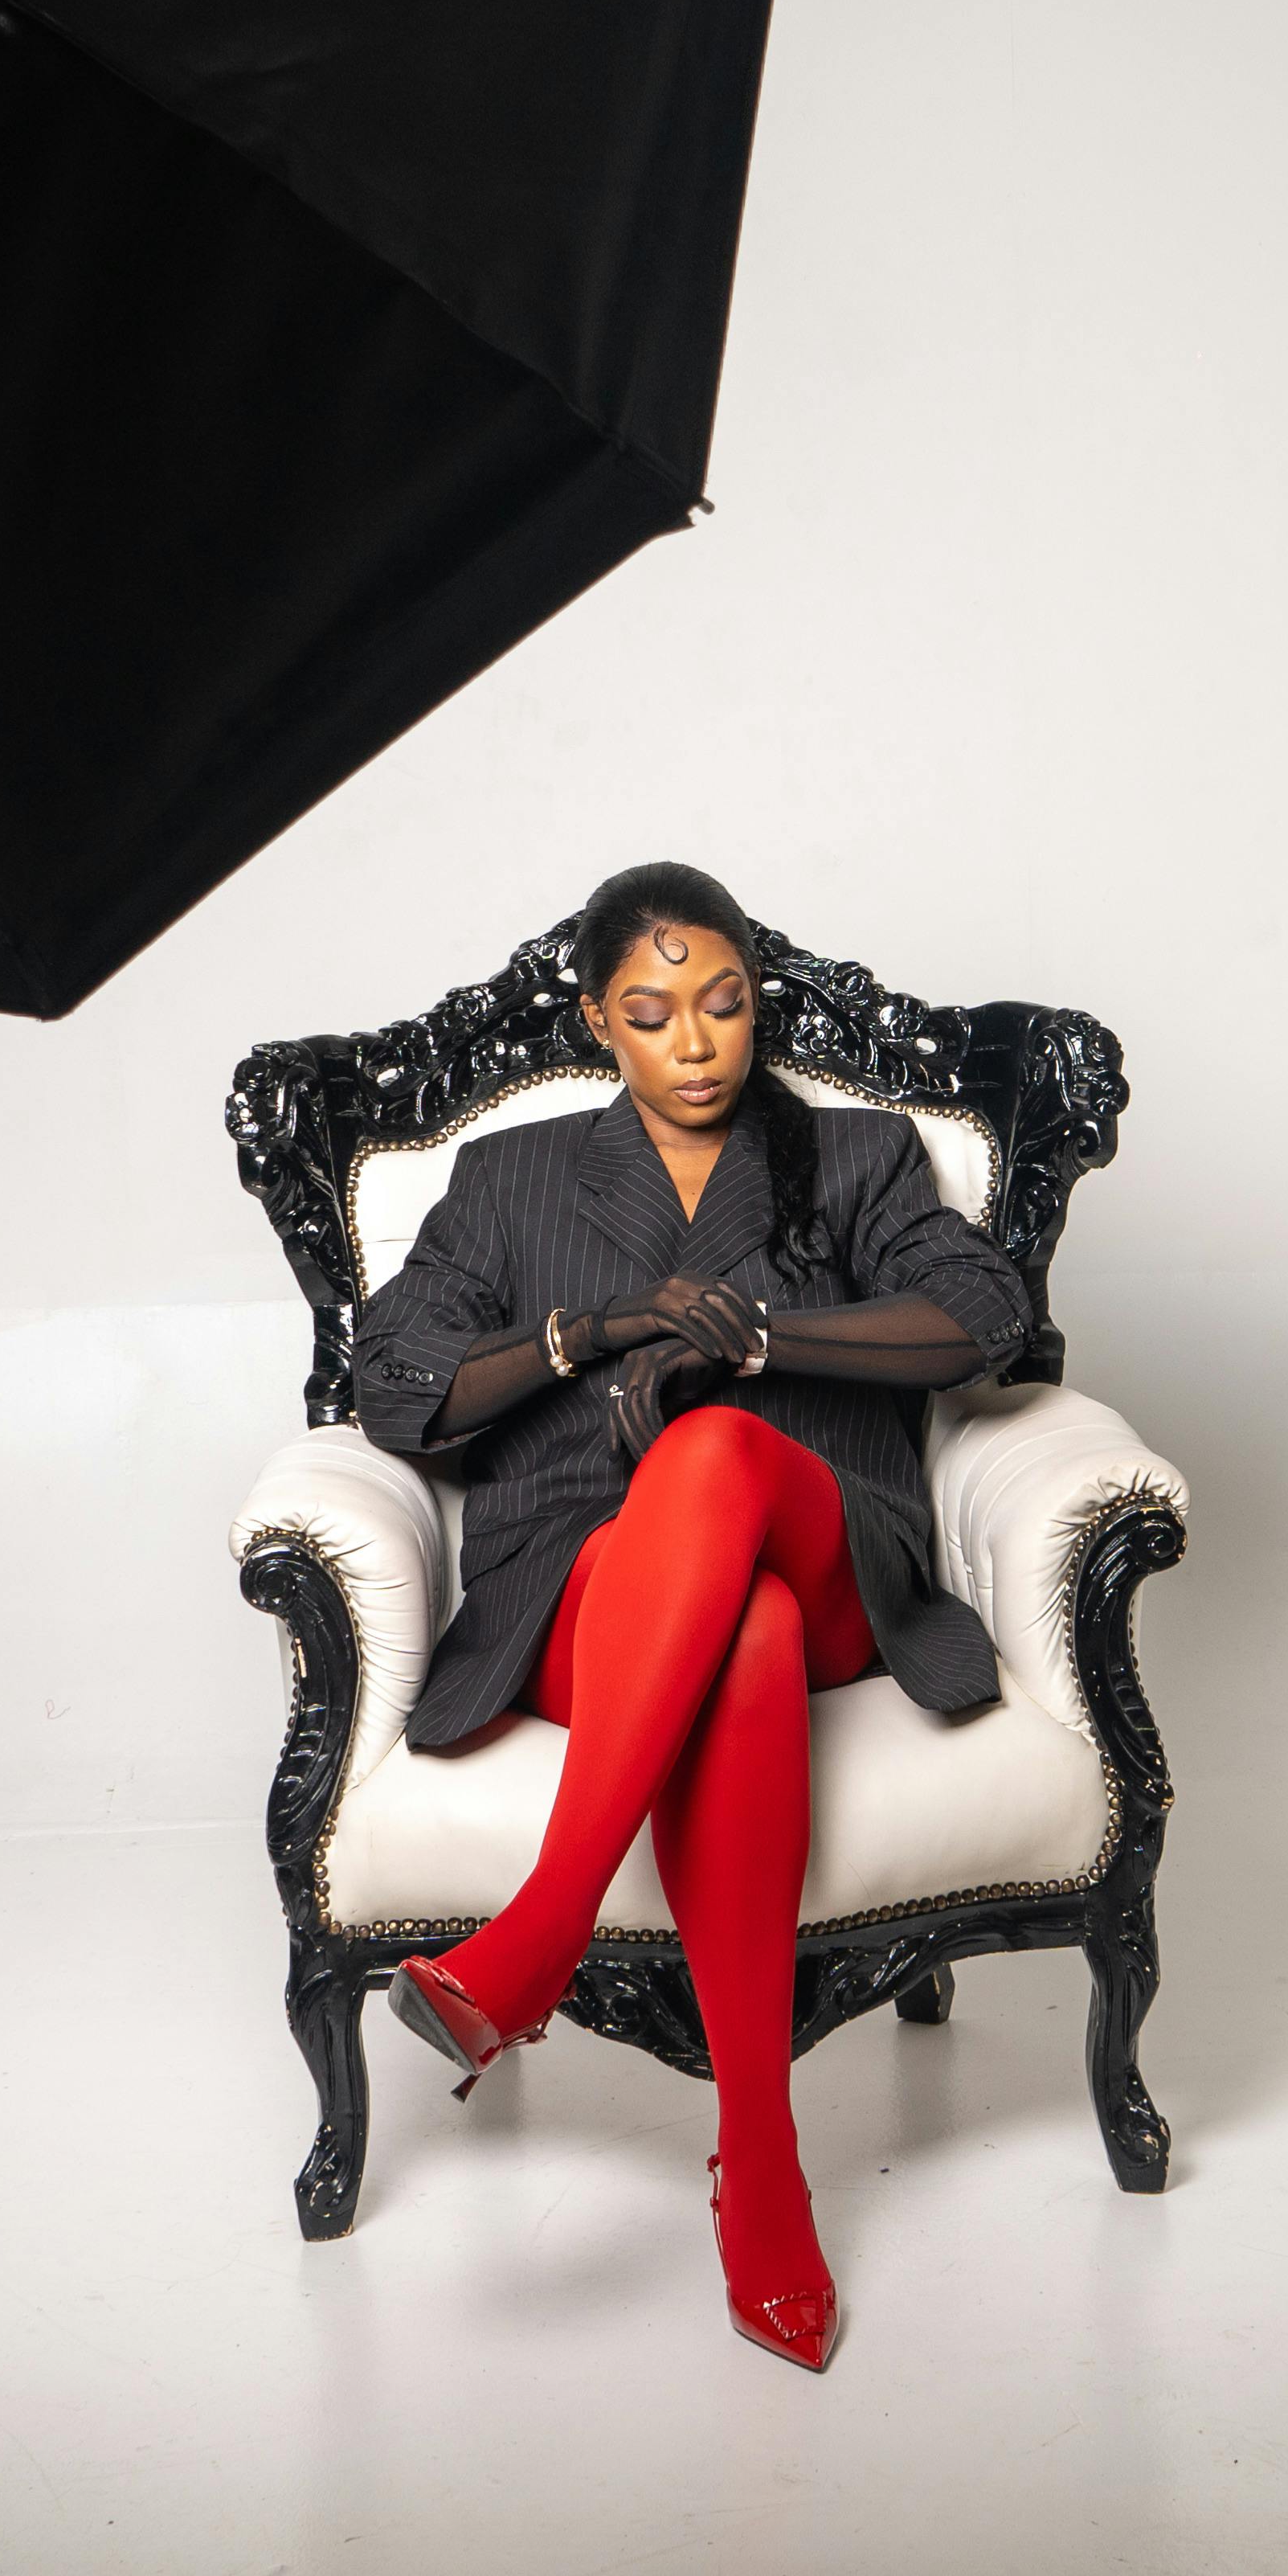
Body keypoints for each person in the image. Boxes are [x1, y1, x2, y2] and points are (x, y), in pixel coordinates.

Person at [350, 862, 1031, 2369]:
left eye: (725, 1004)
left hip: (835, 1539)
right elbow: (396, 1388)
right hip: (592, 1594)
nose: (701, 1041)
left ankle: (533, 1934)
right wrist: (585, 1334)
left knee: (719, 1446)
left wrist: (765, 1337)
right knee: (750, 1640)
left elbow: (986, 1315)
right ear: (602, 1021)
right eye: (654, 1015)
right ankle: (764, 2166)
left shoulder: (851, 1155)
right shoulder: (510, 1184)